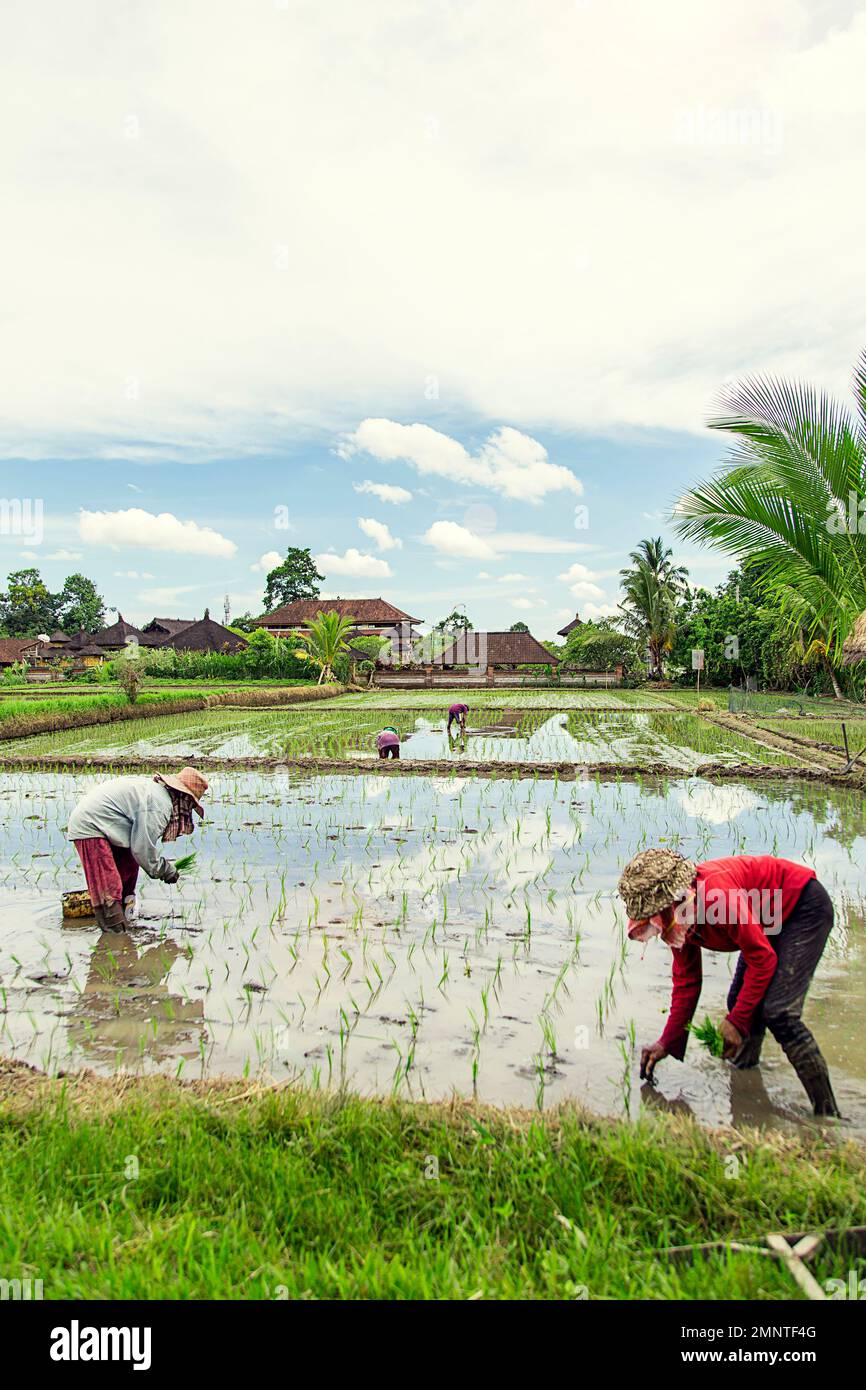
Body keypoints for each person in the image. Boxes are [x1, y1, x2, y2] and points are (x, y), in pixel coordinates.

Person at [618, 848, 840, 1117]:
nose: (652, 927)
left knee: (779, 1013)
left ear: (671, 902)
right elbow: (688, 981)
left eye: (653, 917)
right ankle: (748, 1094)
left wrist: (736, 1021)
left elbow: (762, 958)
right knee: (740, 1003)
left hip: (802, 907)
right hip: (766, 918)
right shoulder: (676, 920)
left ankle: (827, 1116)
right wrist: (668, 1041)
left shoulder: (718, 900)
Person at [66, 767, 208, 932]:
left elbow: (138, 849)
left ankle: (126, 917)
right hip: (91, 827)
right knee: (109, 888)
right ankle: (116, 938)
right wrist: (166, 870)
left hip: (109, 826)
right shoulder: (159, 805)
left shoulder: (158, 796)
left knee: (128, 871)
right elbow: (143, 849)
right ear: (183, 797)